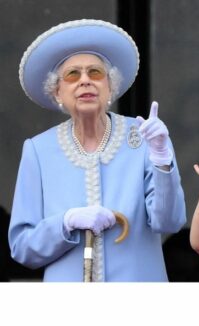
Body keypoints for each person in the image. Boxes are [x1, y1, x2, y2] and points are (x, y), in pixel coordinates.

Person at [9, 19, 186, 281]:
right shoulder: (38, 150)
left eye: (95, 73)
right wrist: (66, 222)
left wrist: (162, 160)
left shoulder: (145, 136)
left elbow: (169, 222)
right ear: (57, 92)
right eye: (72, 75)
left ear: (110, 87)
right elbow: (23, 248)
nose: (85, 81)